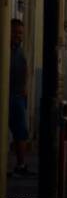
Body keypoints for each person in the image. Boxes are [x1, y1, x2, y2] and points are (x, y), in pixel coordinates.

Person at [8, 19, 29, 176]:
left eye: (20, 33)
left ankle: (21, 164)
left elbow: (25, 69)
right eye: (15, 32)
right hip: (9, 95)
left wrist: (25, 88)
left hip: (18, 96)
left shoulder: (19, 50)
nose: (18, 36)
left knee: (20, 131)